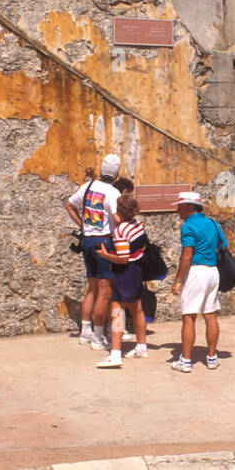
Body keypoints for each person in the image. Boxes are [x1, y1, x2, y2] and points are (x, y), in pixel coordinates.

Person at [64, 153, 121, 350]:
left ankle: (85, 330)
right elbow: (118, 218)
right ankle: (98, 336)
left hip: (88, 240)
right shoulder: (113, 193)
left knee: (92, 287)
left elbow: (69, 204)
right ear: (116, 174)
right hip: (104, 241)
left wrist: (83, 225)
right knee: (105, 292)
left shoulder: (87, 187)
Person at [170, 191, 226, 373]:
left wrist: (178, 280)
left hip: (196, 272)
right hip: (212, 271)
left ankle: (186, 361)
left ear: (190, 206)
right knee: (210, 315)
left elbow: (187, 254)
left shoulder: (188, 226)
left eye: (180, 205)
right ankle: (212, 358)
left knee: (189, 317)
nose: (177, 209)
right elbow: (222, 246)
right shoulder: (212, 223)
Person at [96, 195, 148, 368]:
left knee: (117, 310)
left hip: (125, 272)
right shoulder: (138, 226)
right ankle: (141, 346)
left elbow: (123, 258)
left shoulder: (120, 232)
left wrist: (105, 256)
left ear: (120, 212)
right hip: (138, 270)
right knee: (137, 308)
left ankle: (116, 353)